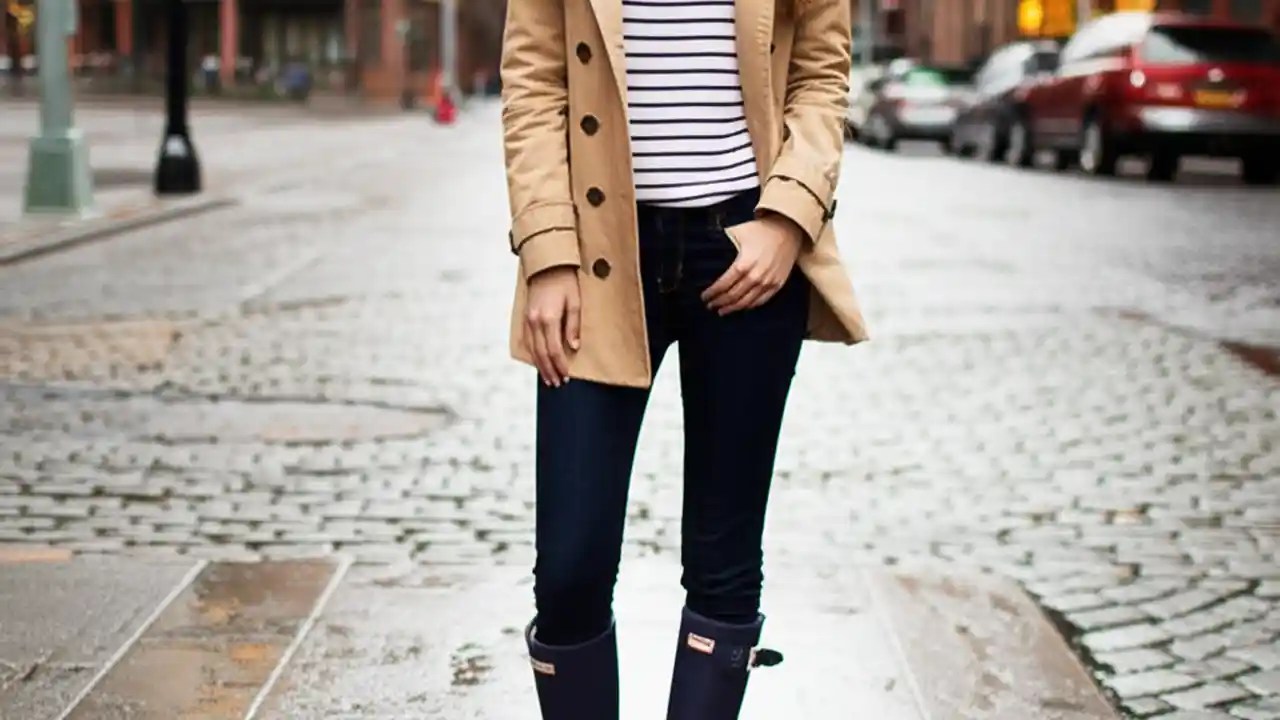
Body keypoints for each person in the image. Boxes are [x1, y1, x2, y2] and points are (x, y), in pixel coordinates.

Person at [500, 0, 868, 717]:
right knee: (569, 571)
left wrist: (788, 217)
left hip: (746, 248)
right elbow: (535, 79)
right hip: (598, 256)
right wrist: (547, 252)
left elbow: (822, 73)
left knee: (724, 560)